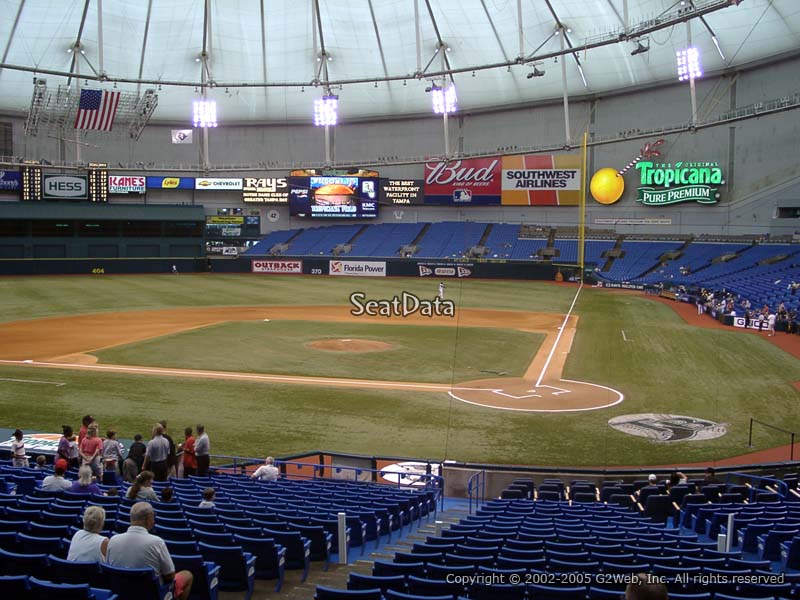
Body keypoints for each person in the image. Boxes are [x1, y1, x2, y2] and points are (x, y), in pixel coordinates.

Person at [106, 502, 193, 600]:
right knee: (187, 575)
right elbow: (170, 576)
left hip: (122, 594)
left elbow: (109, 568)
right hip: (153, 594)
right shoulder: (157, 542)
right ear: (149, 518)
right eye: (153, 516)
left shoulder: (113, 540)